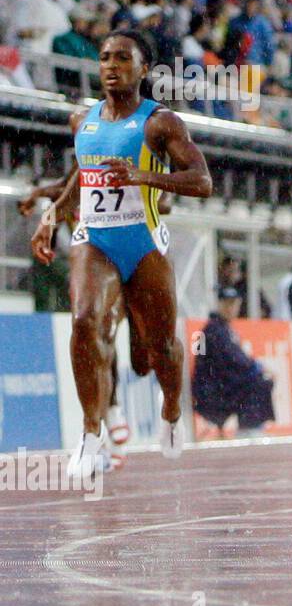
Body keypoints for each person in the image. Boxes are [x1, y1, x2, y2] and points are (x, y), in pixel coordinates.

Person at [30, 30, 213, 487]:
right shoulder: (82, 120)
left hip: (146, 243)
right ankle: (91, 436)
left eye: (123, 59)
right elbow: (82, 176)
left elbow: (202, 180)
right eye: (105, 58)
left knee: (160, 349)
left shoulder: (161, 123)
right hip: (95, 241)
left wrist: (145, 176)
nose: (111, 66)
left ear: (144, 69)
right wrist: (53, 213)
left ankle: (171, 409)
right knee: (85, 321)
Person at [192, 286, 276, 436]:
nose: (230, 308)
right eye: (227, 304)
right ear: (219, 304)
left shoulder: (223, 329)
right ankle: (250, 430)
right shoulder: (214, 330)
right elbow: (233, 360)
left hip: (220, 384)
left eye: (234, 304)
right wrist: (257, 368)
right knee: (258, 382)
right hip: (212, 390)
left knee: (258, 380)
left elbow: (236, 360)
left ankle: (252, 427)